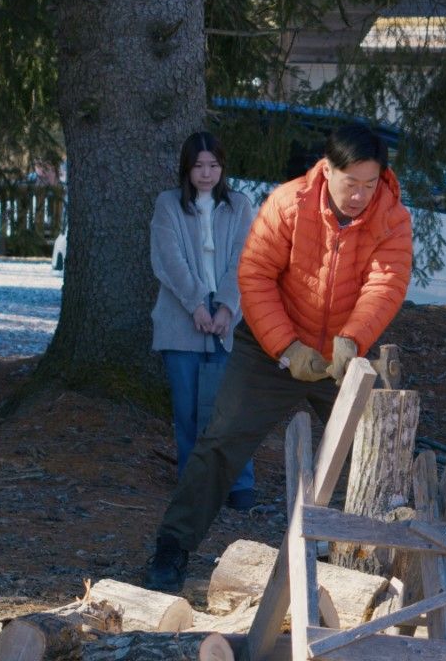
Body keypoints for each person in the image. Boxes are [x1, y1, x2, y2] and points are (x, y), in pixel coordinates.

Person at [141, 123, 414, 592]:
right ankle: (173, 547)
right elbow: (256, 275)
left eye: (371, 184)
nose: (360, 196)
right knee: (220, 443)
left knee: (377, 446)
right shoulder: (288, 203)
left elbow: (385, 284)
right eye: (352, 184)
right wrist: (286, 347)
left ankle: (370, 564)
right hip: (271, 348)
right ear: (328, 171)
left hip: (343, 357)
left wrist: (352, 339)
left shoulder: (392, 217)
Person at [149, 130, 257, 509]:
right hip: (182, 316)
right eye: (199, 166)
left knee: (231, 407)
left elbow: (246, 258)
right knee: (188, 409)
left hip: (229, 314)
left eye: (213, 165)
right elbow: (168, 258)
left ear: (222, 167)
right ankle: (193, 486)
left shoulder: (240, 206)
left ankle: (238, 484)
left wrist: (227, 306)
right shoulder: (168, 205)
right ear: (187, 168)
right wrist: (197, 304)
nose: (206, 173)